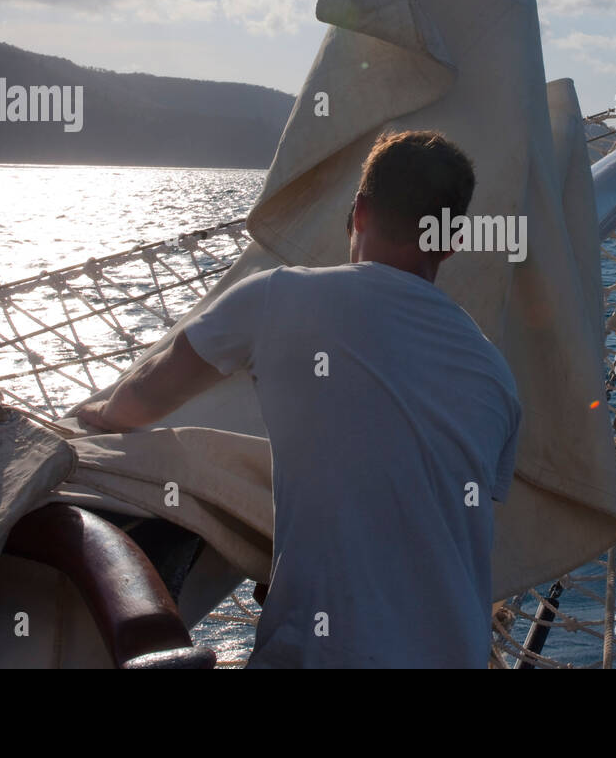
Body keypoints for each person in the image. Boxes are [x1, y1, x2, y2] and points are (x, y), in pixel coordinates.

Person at [72, 130, 522, 668]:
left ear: (358, 211)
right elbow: (428, 510)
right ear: (452, 239)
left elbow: (141, 400)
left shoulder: (278, 297)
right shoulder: (496, 374)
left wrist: (96, 414)